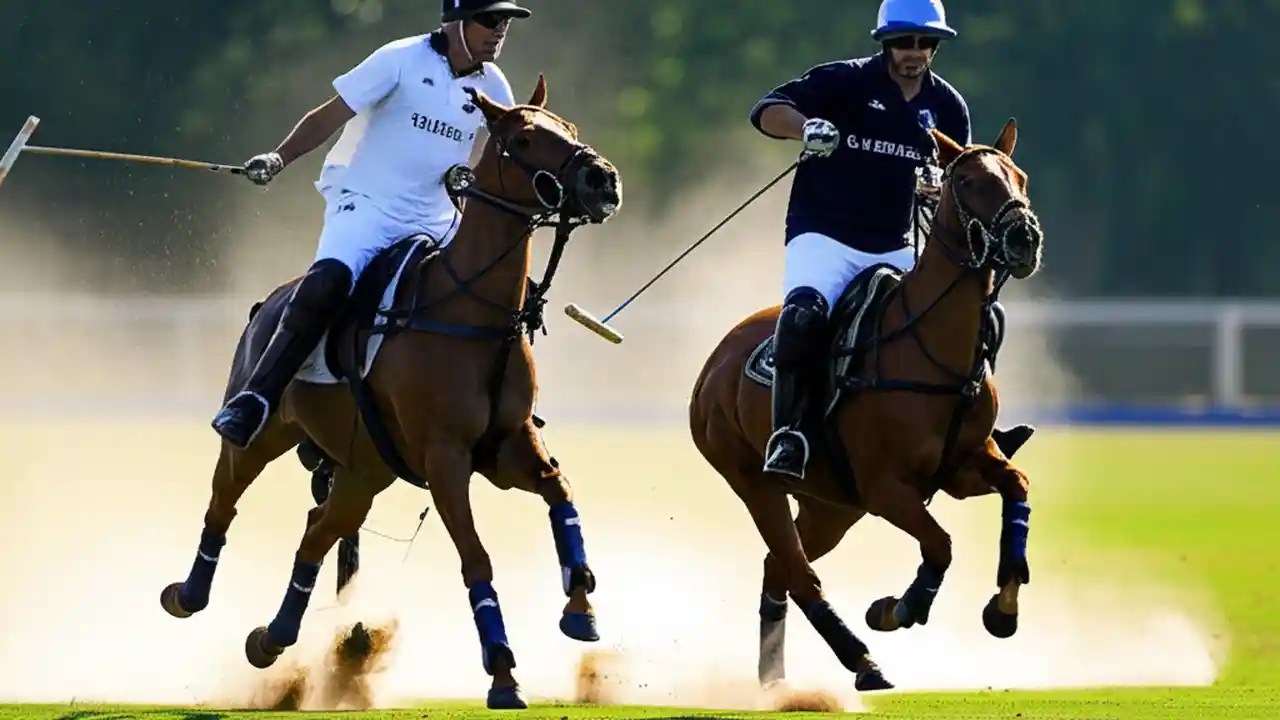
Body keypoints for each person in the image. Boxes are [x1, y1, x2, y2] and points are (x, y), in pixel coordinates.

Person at [211, 0, 528, 449]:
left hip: (435, 217)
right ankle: (256, 397)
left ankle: (508, 404)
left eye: (506, 23)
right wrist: (279, 157)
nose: (500, 31)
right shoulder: (399, 59)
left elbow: (498, 153)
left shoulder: (493, 84)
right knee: (328, 284)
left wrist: (469, 176)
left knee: (507, 290)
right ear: (456, 20)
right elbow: (327, 116)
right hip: (367, 207)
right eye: (490, 20)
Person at [749, 0, 1023, 480]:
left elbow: (957, 176)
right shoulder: (845, 81)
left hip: (895, 242)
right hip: (825, 235)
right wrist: (805, 128)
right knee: (802, 317)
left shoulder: (947, 107)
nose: (913, 52)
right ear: (884, 43)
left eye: (923, 42)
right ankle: (789, 434)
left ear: (936, 45)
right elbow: (767, 111)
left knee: (981, 314)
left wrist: (940, 190)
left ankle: (971, 426)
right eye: (902, 42)